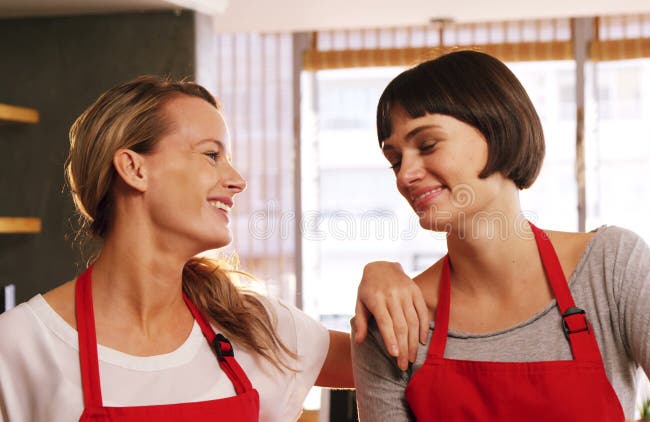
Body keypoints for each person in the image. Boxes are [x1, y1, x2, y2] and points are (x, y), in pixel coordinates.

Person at [0, 76, 424, 422]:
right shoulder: (19, 346)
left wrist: (385, 276)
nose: (237, 180)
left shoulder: (254, 326)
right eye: (211, 155)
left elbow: (402, 360)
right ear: (134, 168)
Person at [351, 50, 650, 421]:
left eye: (427, 145)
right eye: (395, 160)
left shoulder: (610, 267)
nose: (405, 175)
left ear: (497, 128)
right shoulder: (395, 319)